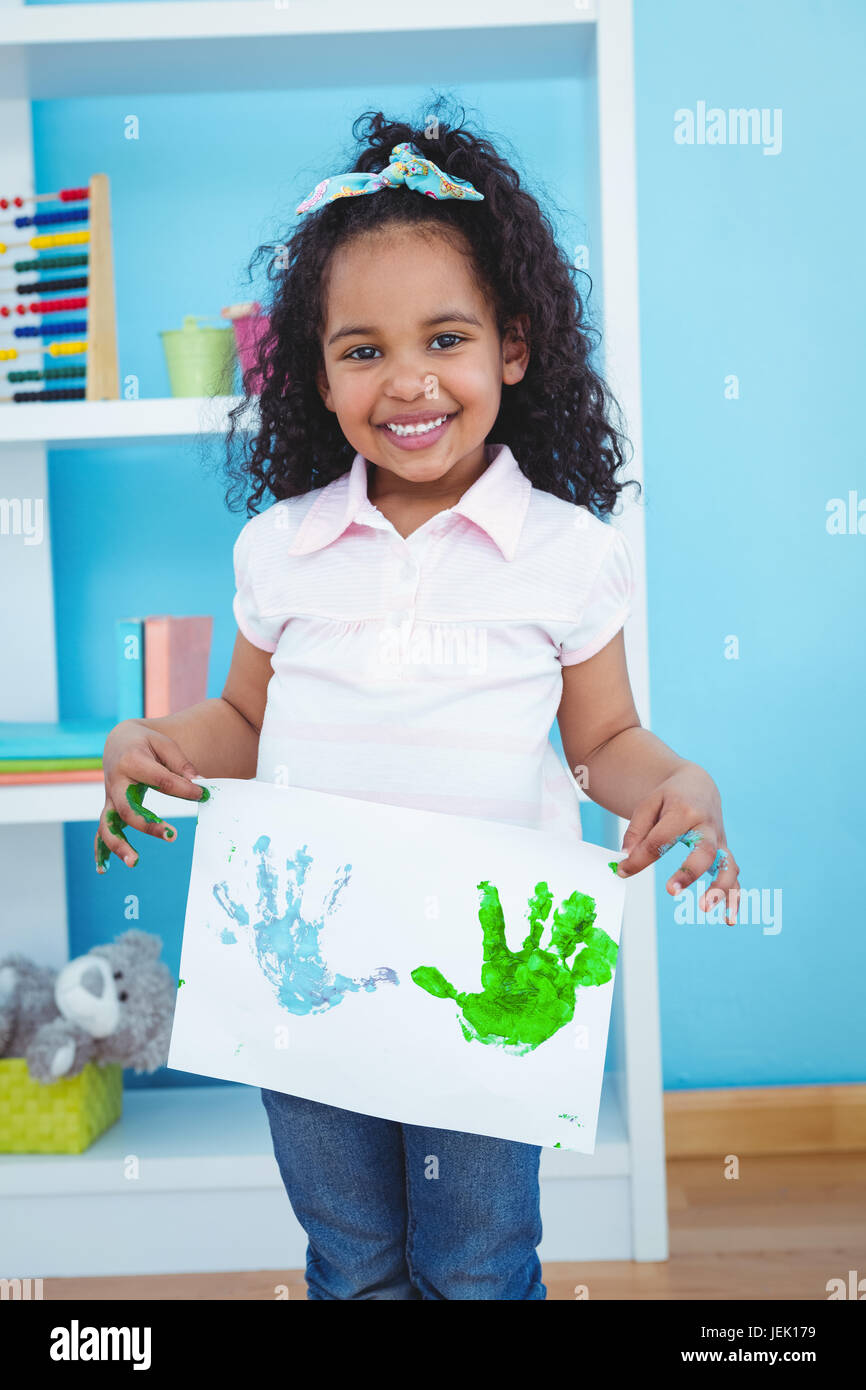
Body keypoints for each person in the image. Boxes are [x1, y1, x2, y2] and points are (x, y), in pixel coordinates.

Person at [96, 101, 740, 1300]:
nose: (406, 381)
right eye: (362, 350)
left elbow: (599, 742)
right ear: (319, 374)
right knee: (350, 1260)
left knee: (477, 1261)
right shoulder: (280, 549)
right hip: (307, 980)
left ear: (511, 344)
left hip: (484, 991)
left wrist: (676, 783)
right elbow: (238, 721)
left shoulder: (564, 549)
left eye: (444, 338)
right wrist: (155, 741)